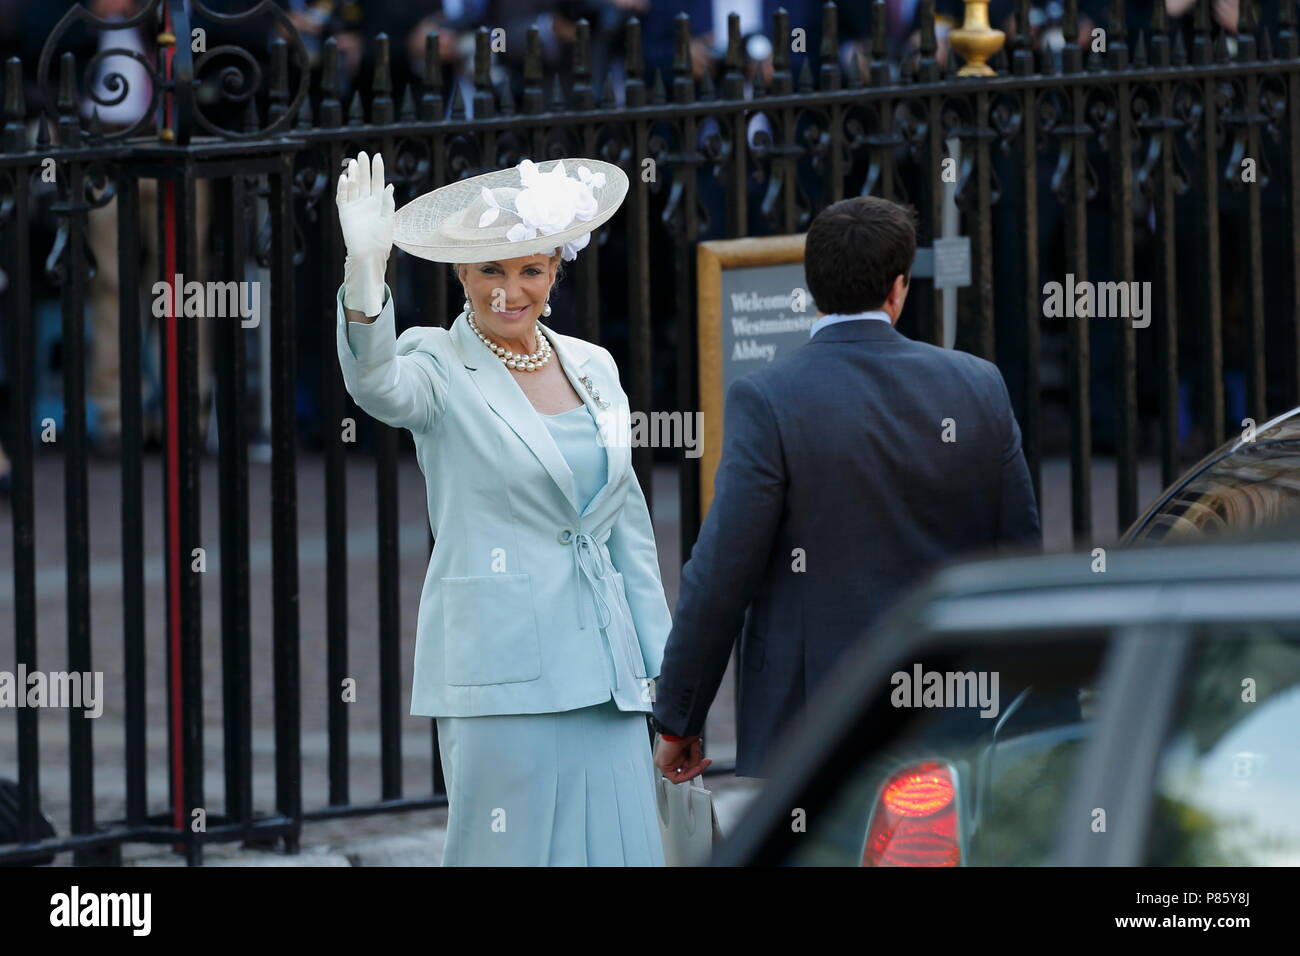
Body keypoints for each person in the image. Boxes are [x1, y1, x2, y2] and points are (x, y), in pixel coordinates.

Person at [334, 151, 672, 866]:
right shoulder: (434, 364)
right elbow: (376, 384)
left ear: (555, 271)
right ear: (461, 273)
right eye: (490, 269)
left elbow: (627, 534)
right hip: (502, 677)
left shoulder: (595, 365)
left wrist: (666, 678)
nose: (509, 291)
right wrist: (366, 276)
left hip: (608, 679)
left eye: (529, 270)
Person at [649, 196, 1041, 783]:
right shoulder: (978, 384)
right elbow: (1018, 559)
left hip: (814, 717)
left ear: (810, 286)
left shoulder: (769, 397)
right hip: (951, 705)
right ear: (899, 288)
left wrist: (679, 720)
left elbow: (722, 573)